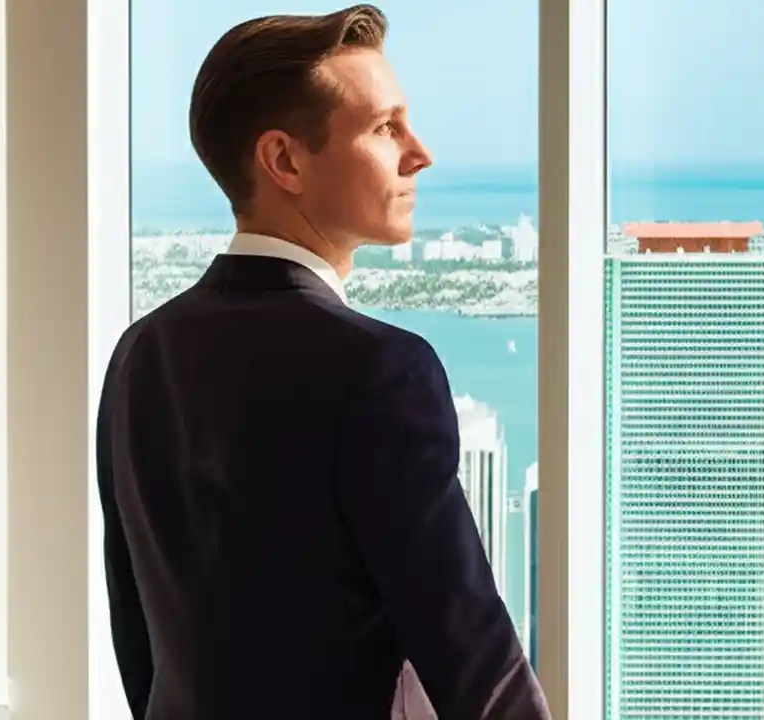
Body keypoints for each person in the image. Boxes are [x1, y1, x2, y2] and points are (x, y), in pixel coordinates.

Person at [95, 5, 549, 718]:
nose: (420, 153)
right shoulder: (382, 370)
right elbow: (477, 664)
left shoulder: (139, 354)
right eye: (386, 127)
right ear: (284, 161)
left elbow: (140, 642)